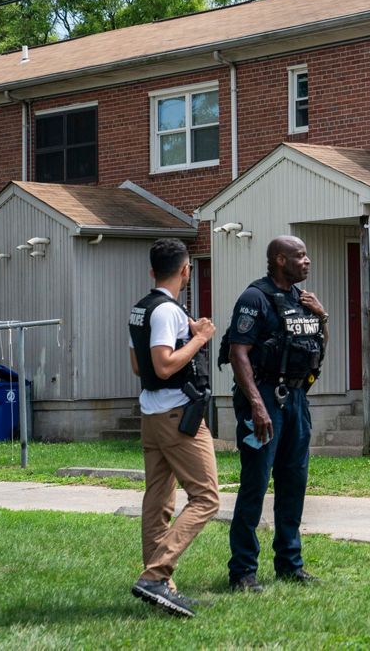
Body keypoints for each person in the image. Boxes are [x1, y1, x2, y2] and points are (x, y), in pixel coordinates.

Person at [226, 235, 328, 592]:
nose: (307, 261)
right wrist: (256, 405)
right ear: (280, 260)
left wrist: (322, 316)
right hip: (265, 397)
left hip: (297, 399)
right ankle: (242, 570)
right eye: (300, 256)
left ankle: (290, 564)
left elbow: (316, 346)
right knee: (255, 483)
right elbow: (239, 354)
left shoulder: (303, 301)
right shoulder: (255, 298)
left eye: (306, 255)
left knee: (293, 483)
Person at [127, 238, 219, 618]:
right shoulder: (167, 312)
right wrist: (199, 338)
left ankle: (161, 586)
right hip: (176, 417)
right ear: (185, 270)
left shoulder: (140, 309)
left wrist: (187, 330)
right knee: (206, 498)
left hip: (151, 415)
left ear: (152, 271)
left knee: (159, 501)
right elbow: (164, 365)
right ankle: (156, 575)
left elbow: (139, 366)